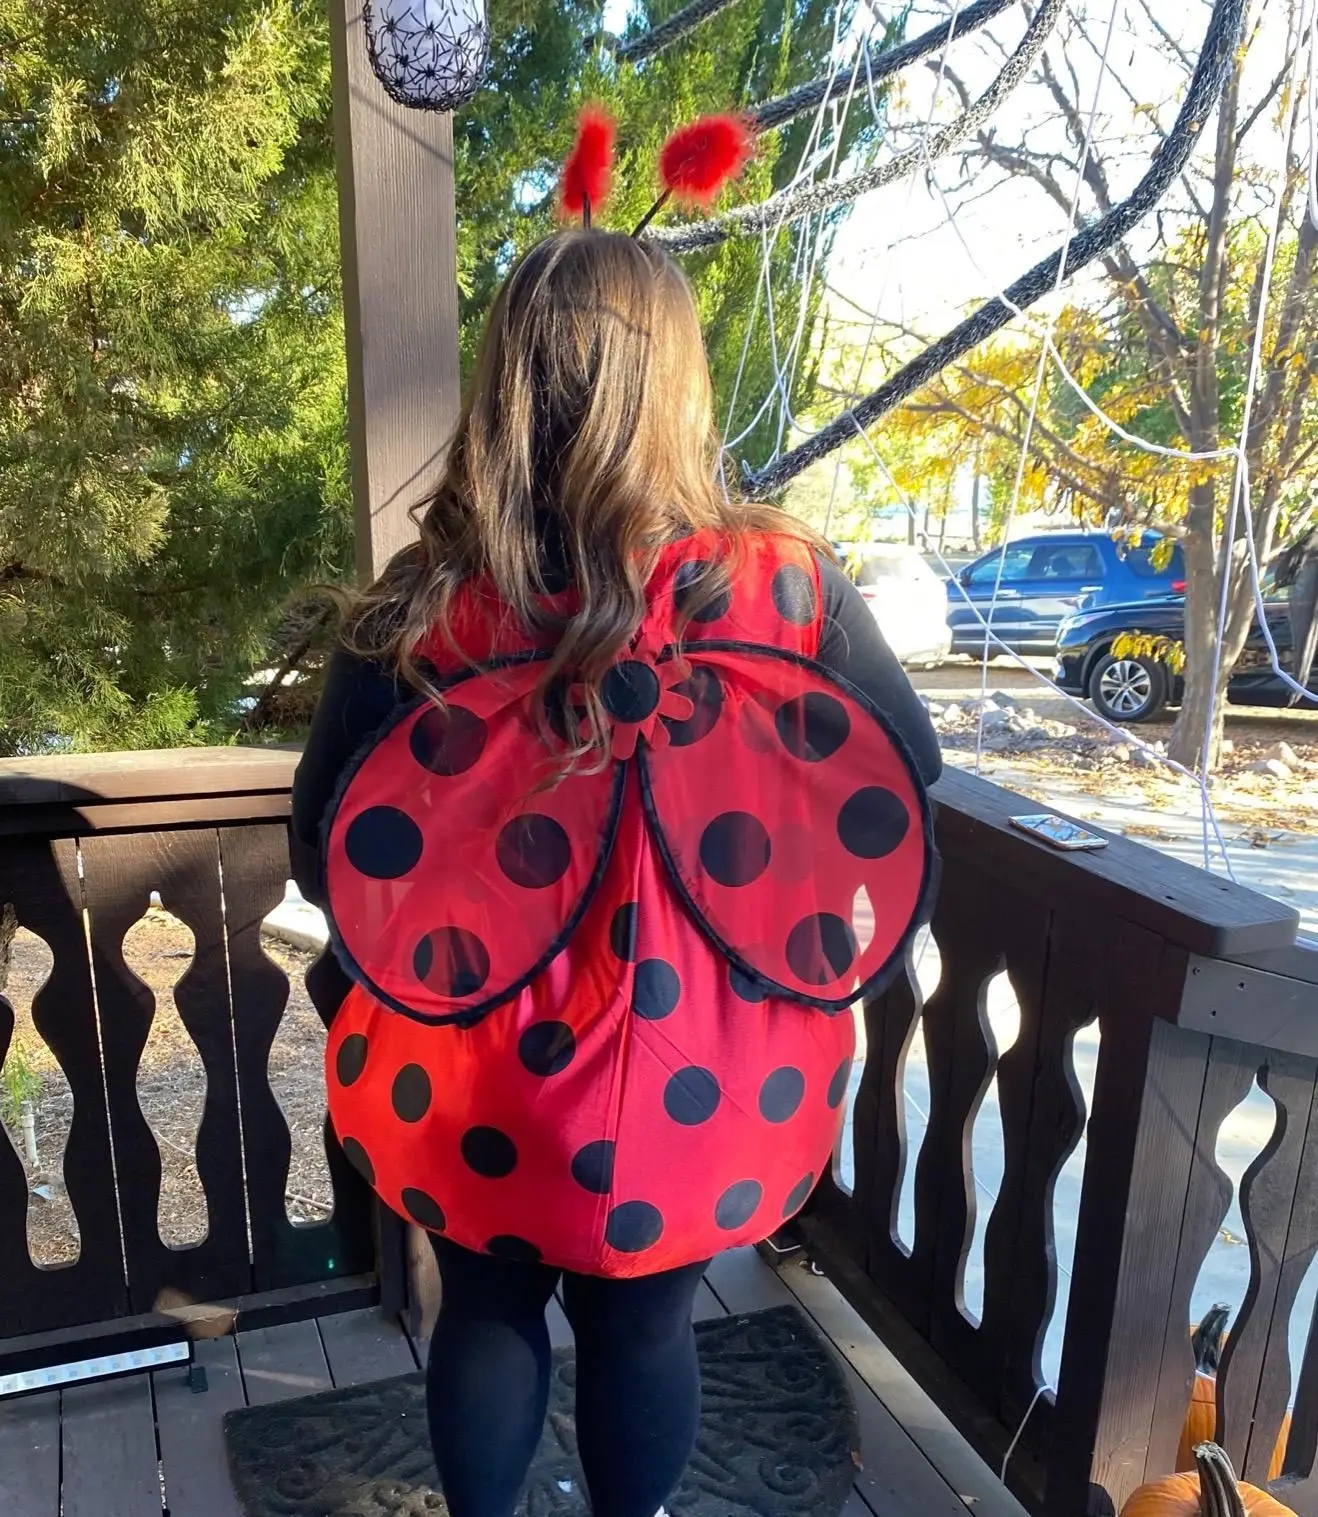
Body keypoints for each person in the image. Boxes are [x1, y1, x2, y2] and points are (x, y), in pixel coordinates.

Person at [292, 228, 941, 1517]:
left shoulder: (430, 599)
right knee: (649, 1329)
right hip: (700, 1065)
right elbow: (901, 772)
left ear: (509, 385)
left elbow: (324, 842)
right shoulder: (789, 587)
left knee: (485, 1311)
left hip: (473, 1062)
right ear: (680, 387)